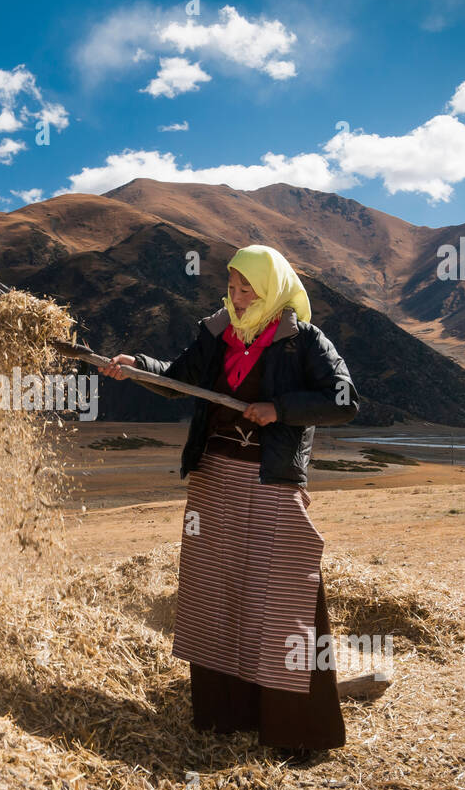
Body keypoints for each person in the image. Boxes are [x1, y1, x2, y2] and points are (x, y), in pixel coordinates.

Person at [100, 245, 360, 763]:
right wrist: (140, 368)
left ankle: (298, 730)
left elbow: (343, 400)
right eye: (233, 287)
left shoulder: (301, 341)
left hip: (270, 481)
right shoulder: (217, 333)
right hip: (215, 479)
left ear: (273, 291)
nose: (237, 299)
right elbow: (182, 379)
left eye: (248, 290)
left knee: (284, 591)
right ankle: (227, 715)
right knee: (216, 591)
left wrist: (279, 408)